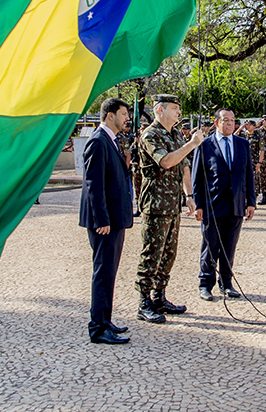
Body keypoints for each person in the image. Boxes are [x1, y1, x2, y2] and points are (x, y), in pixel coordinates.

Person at [137, 94, 205, 324]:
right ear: (160, 110)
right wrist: (192, 144)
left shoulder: (175, 134)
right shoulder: (150, 135)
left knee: (169, 254)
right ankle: (144, 302)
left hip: (173, 203)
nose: (178, 112)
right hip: (155, 204)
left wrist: (189, 196)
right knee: (152, 253)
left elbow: (184, 166)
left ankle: (159, 296)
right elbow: (166, 161)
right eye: (174, 108)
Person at [79, 98, 134, 344]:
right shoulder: (98, 142)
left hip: (114, 219)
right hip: (105, 222)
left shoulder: (111, 140)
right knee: (103, 272)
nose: (127, 118)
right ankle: (98, 328)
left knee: (109, 272)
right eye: (123, 113)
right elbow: (94, 183)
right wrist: (101, 218)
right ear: (110, 115)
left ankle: (105, 319)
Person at [191, 108, 256, 301]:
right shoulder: (204, 145)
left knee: (229, 247)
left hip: (236, 205)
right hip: (212, 204)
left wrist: (251, 202)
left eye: (233, 120)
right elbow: (197, 178)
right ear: (217, 122)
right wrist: (198, 204)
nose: (230, 123)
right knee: (210, 247)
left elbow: (248, 176)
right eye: (226, 120)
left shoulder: (243, 144)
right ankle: (205, 284)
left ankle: (226, 283)